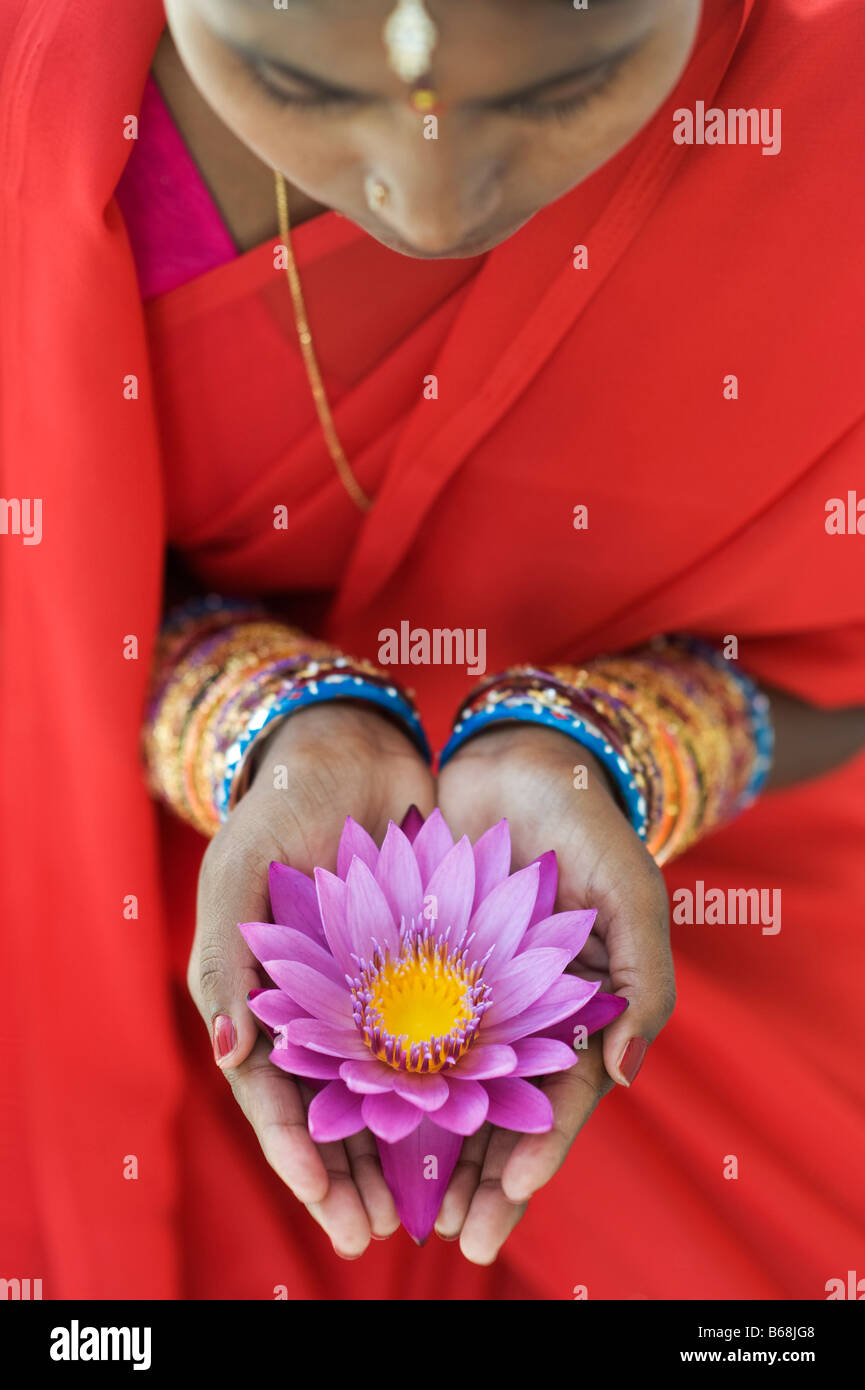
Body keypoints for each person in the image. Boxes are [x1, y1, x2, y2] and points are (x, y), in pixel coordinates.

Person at [2, 0, 864, 1301]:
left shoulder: (826, 111)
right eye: (290, 77)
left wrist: (620, 743)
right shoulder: (41, 113)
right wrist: (267, 722)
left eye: (552, 92)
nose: (429, 196)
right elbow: (40, 618)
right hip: (128, 891)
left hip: (753, 896)